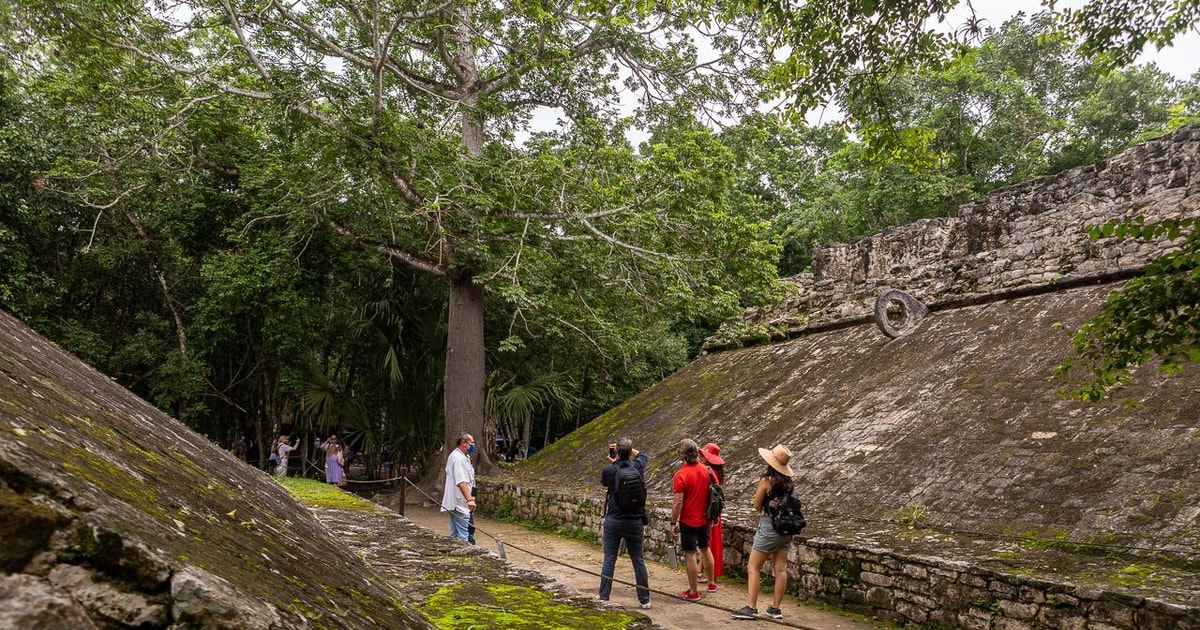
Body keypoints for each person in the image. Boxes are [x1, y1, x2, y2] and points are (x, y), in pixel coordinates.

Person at [731, 444, 797, 621]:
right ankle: (775, 608)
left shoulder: (767, 480)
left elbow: (756, 504)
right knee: (780, 568)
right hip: (786, 527)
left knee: (753, 566)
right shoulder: (788, 483)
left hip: (769, 526)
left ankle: (751, 607)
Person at [598, 437, 651, 609]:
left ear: (617, 452)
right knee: (638, 559)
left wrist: (616, 460)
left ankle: (604, 596)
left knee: (609, 558)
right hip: (635, 520)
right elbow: (643, 455)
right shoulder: (638, 466)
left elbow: (605, 483)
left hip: (614, 519)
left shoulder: (609, 471)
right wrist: (629, 451)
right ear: (630, 452)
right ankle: (644, 600)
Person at [669, 438, 715, 601]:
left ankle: (694, 591)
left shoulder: (680, 475)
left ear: (681, 456)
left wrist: (673, 522)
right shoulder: (707, 470)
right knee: (705, 549)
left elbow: (678, 502)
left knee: (690, 554)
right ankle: (711, 583)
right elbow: (714, 493)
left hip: (688, 520)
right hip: (704, 518)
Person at [440, 433, 477, 543]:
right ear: (464, 443)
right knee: (463, 535)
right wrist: (469, 499)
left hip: (461, 502)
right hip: (459, 502)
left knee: (456, 533)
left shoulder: (464, 457)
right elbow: (461, 481)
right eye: (472, 443)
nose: (473, 445)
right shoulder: (457, 458)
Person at [700, 442, 725, 591]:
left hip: (710, 512)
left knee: (708, 545)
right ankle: (706, 573)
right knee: (710, 544)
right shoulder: (717, 473)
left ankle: (710, 575)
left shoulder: (709, 472)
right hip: (715, 512)